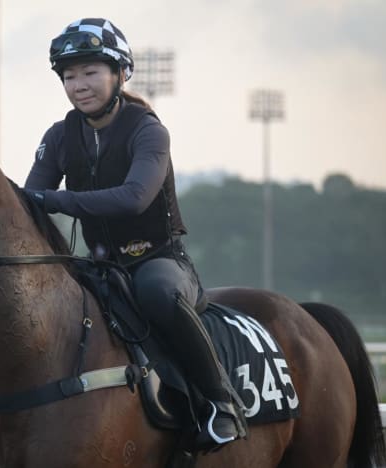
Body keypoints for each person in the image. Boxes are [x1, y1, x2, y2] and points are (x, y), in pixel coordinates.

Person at [23, 17, 247, 452]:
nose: (78, 85)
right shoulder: (59, 136)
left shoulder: (149, 130)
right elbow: (30, 199)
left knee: (157, 292)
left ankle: (222, 402)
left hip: (160, 261)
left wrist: (56, 200)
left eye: (90, 72)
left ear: (120, 72)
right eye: (69, 76)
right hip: (100, 265)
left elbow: (133, 198)